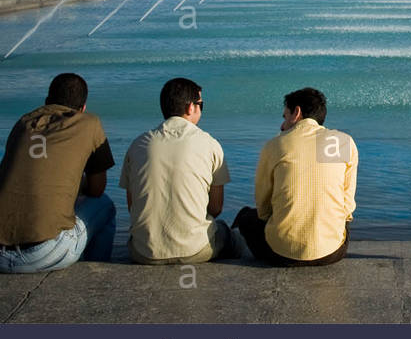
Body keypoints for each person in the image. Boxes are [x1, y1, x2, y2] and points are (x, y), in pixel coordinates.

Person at [0, 73, 116, 273]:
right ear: (83, 107)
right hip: (42, 254)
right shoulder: (89, 123)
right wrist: (78, 184)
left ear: (47, 102)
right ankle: (97, 270)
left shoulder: (23, 124)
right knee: (105, 206)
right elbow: (97, 189)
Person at [120, 77, 239, 264]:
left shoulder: (138, 144)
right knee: (225, 231)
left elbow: (132, 206)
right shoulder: (210, 144)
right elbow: (215, 208)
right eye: (201, 104)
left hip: (144, 252)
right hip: (195, 251)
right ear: (190, 107)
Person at [234, 88, 358, 267]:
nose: (282, 125)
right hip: (332, 252)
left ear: (297, 112)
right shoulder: (343, 142)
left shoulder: (275, 145)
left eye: (285, 116)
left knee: (246, 217)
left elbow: (263, 207)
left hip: (281, 255)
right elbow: (347, 207)